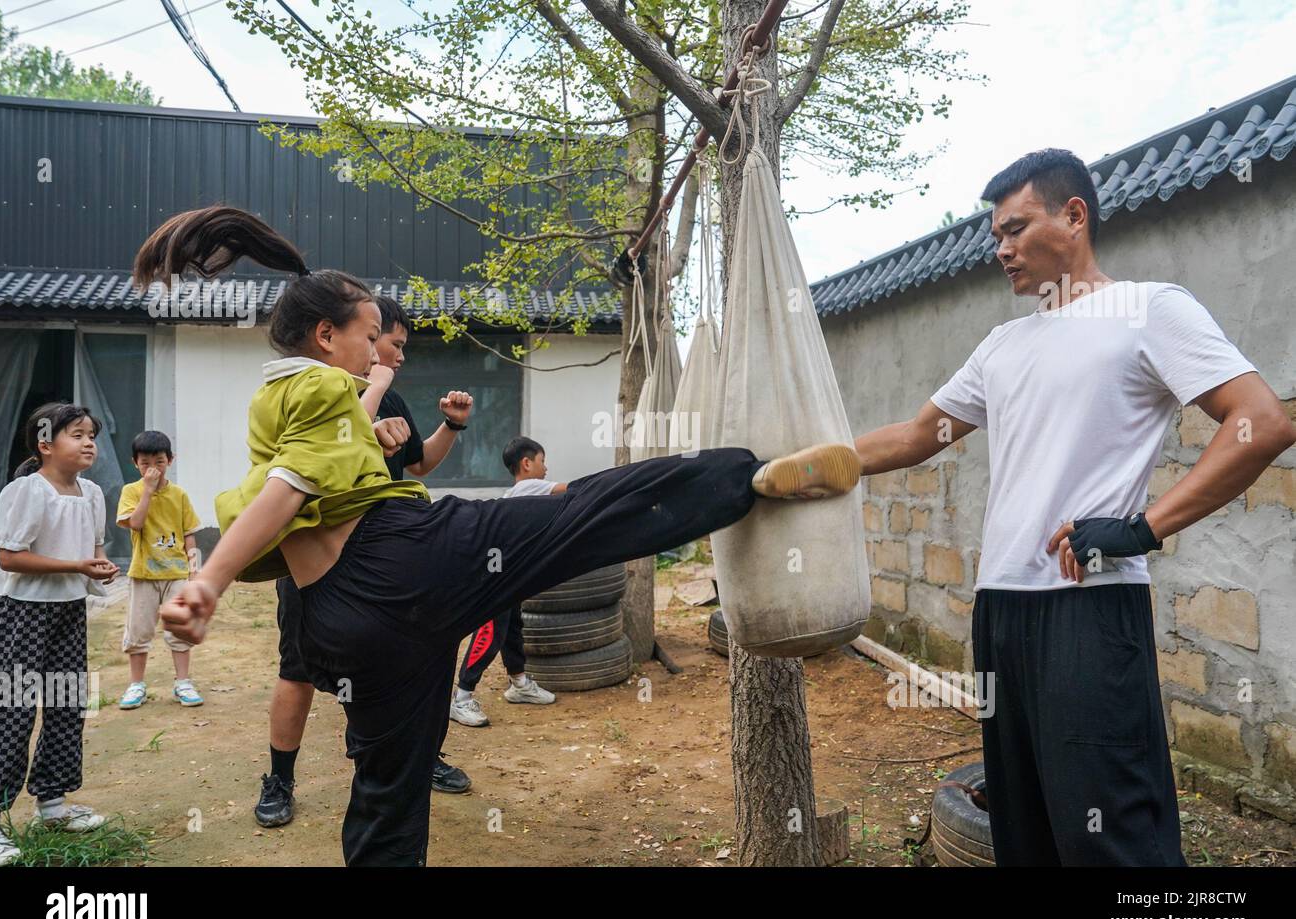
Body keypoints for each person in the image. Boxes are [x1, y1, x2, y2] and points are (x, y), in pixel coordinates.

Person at [141, 205, 861, 866]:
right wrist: (209, 580)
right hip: (404, 561)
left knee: (388, 786)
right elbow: (290, 485)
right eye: (371, 338)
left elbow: (301, 472)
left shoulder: (273, 395)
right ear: (327, 336)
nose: (380, 354)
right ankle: (746, 478)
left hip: (341, 618)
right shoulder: (328, 387)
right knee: (581, 515)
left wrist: (394, 409)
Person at [852, 148, 1296, 866]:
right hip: (999, 611)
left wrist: (1142, 527)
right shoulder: (1002, 345)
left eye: (1016, 229)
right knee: (1024, 832)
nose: (1002, 249)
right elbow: (913, 435)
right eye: (995, 236)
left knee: (1113, 839)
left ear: (1074, 216)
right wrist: (809, 463)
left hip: (1087, 608)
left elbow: (1261, 423)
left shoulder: (1150, 309)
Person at [258, 294, 473, 827]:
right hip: (316, 559)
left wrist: (451, 425)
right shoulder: (312, 391)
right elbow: (330, 451)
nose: (398, 357)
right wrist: (373, 391)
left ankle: (422, 757)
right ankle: (279, 778)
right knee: (299, 668)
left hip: (385, 555)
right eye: (391, 344)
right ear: (355, 336)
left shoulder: (389, 398)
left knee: (414, 657)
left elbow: (417, 465)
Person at [0, 403, 119, 866]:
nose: (89, 442)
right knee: (14, 709)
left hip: (69, 612)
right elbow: (9, 557)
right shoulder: (27, 491)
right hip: (22, 614)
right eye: (77, 434)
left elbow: (94, 551)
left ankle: (52, 805)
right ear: (45, 444)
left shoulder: (91, 494)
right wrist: (76, 565)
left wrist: (100, 569)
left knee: (68, 703)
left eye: (92, 435)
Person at [450, 436, 567, 729]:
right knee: (491, 632)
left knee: (513, 628)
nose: (546, 468)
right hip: (495, 576)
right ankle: (461, 698)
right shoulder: (528, 486)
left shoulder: (519, 492)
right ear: (527, 464)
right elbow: (569, 491)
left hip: (508, 572)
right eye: (542, 461)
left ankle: (519, 683)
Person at [116, 430, 203, 709]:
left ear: (171, 460)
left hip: (176, 574)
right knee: (139, 631)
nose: (152, 468)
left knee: (179, 629)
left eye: (159, 462)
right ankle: (136, 684)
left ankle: (183, 682)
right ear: (135, 464)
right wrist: (148, 492)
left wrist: (194, 571)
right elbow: (137, 523)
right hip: (143, 574)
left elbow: (189, 534)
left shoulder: (179, 495)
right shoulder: (131, 492)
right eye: (145, 463)